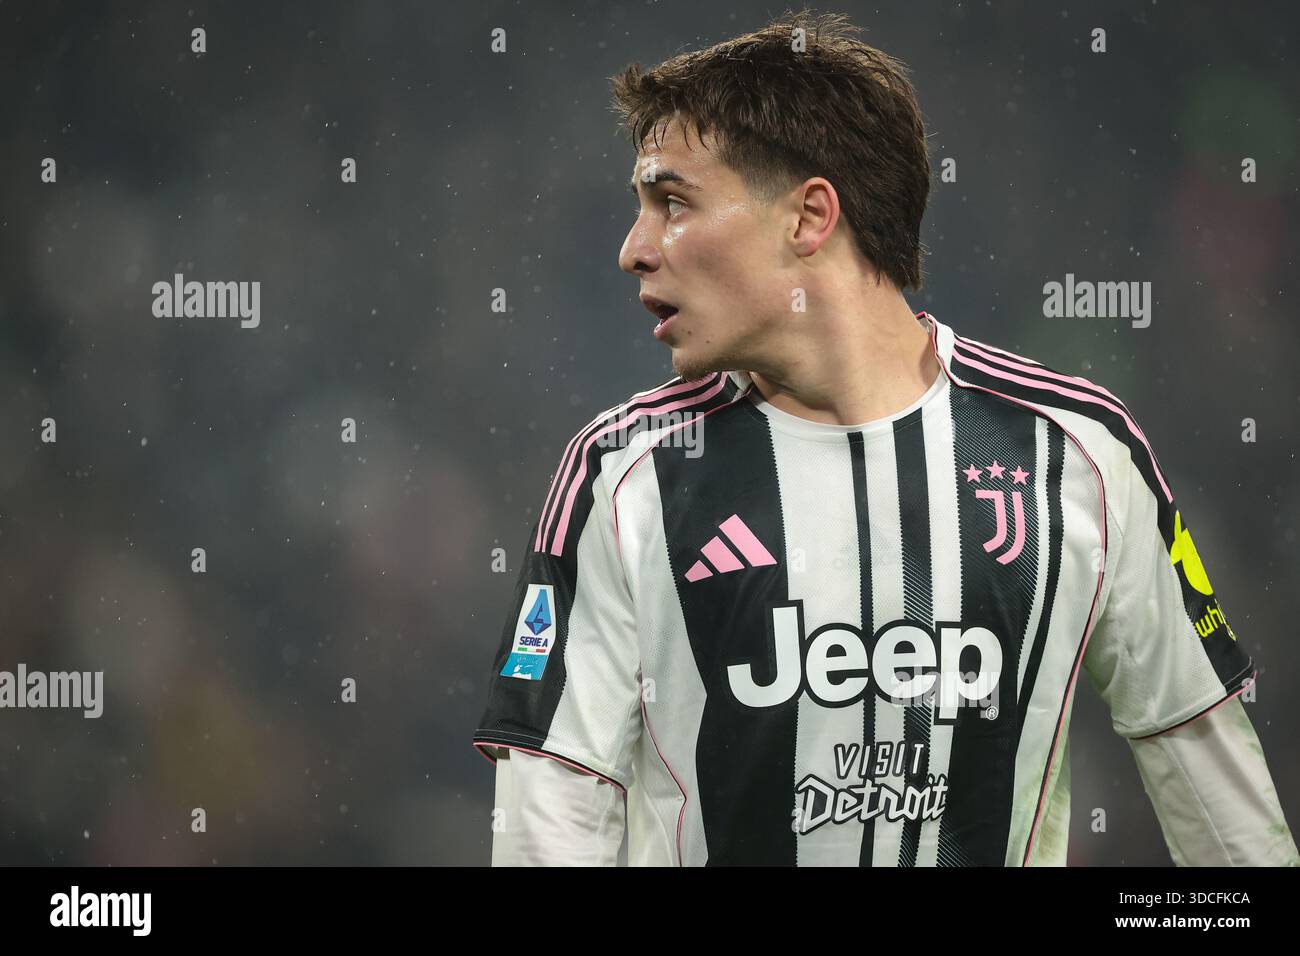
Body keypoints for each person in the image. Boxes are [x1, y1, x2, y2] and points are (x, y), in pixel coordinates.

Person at [470, 11, 1298, 866]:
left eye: (671, 202)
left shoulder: (1076, 454)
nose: (633, 250)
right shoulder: (626, 474)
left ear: (809, 217)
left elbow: (1229, 828)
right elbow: (551, 827)